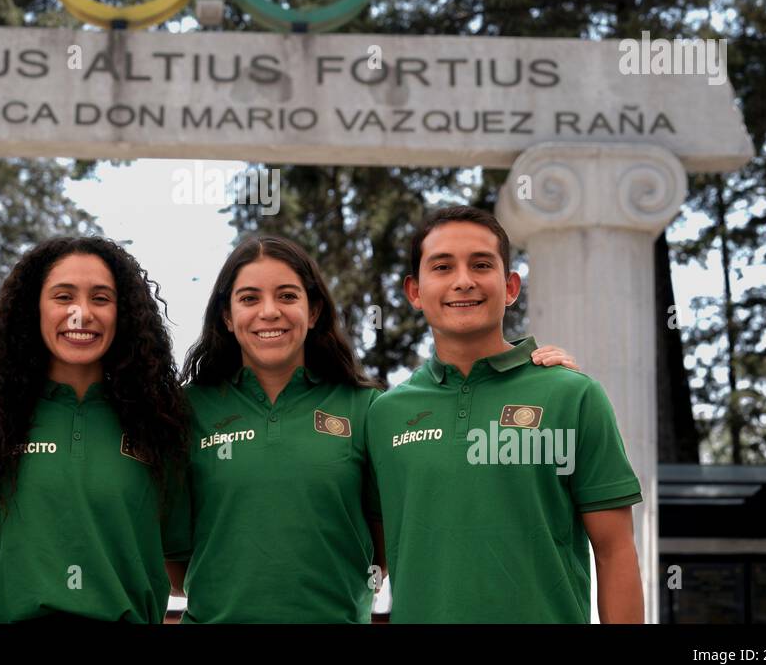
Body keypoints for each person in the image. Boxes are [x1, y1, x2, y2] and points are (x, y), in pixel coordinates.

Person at [167, 234, 580, 623]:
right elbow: (172, 558)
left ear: (312, 312)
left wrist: (537, 379)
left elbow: (391, 541)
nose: (269, 311)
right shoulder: (187, 412)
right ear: (226, 315)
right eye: (249, 298)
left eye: (287, 296)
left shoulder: (368, 410)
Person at [366, 205, 644, 623]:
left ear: (510, 286)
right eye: (442, 266)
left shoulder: (573, 396)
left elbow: (615, 550)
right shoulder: (383, 415)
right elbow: (370, 558)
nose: (463, 281)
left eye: (481, 264)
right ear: (415, 292)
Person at [0, 236, 190, 623]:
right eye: (63, 297)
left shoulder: (160, 426)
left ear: (124, 312)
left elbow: (176, 563)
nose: (81, 313)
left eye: (100, 298)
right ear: (34, 309)